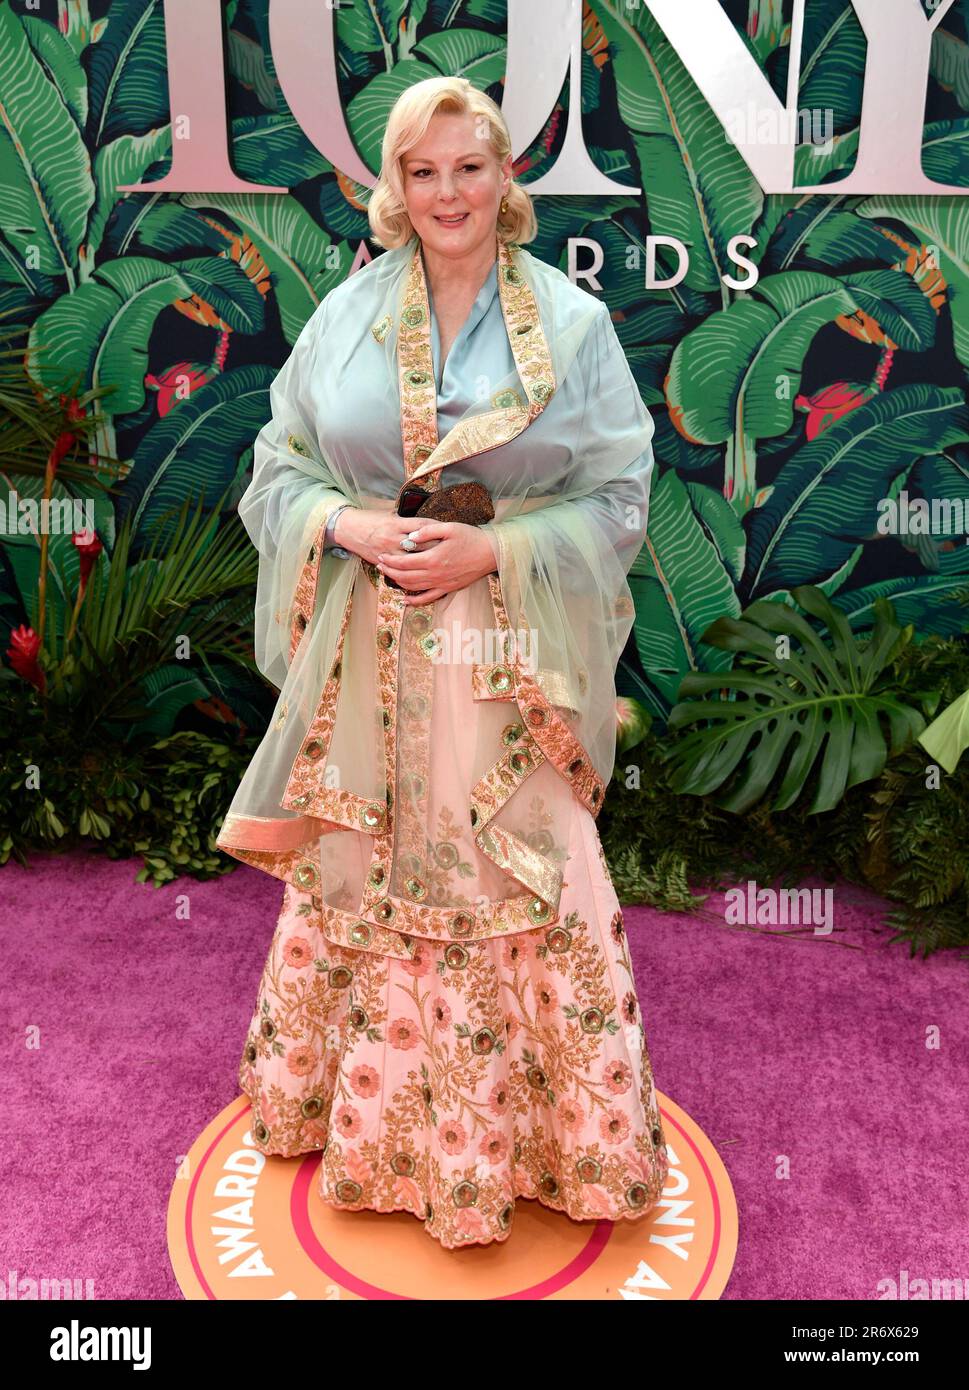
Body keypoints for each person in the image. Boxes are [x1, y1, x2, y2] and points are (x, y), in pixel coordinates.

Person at [216, 74, 669, 1252]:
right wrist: (348, 523)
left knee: (520, 872)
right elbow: (277, 465)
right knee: (363, 868)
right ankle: (362, 1120)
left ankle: (548, 1139)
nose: (448, 192)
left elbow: (621, 494)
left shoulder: (572, 325)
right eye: (423, 170)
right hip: (367, 661)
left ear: (505, 174)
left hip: (508, 663)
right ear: (394, 186)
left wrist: (495, 549)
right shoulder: (347, 315)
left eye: (470, 165)